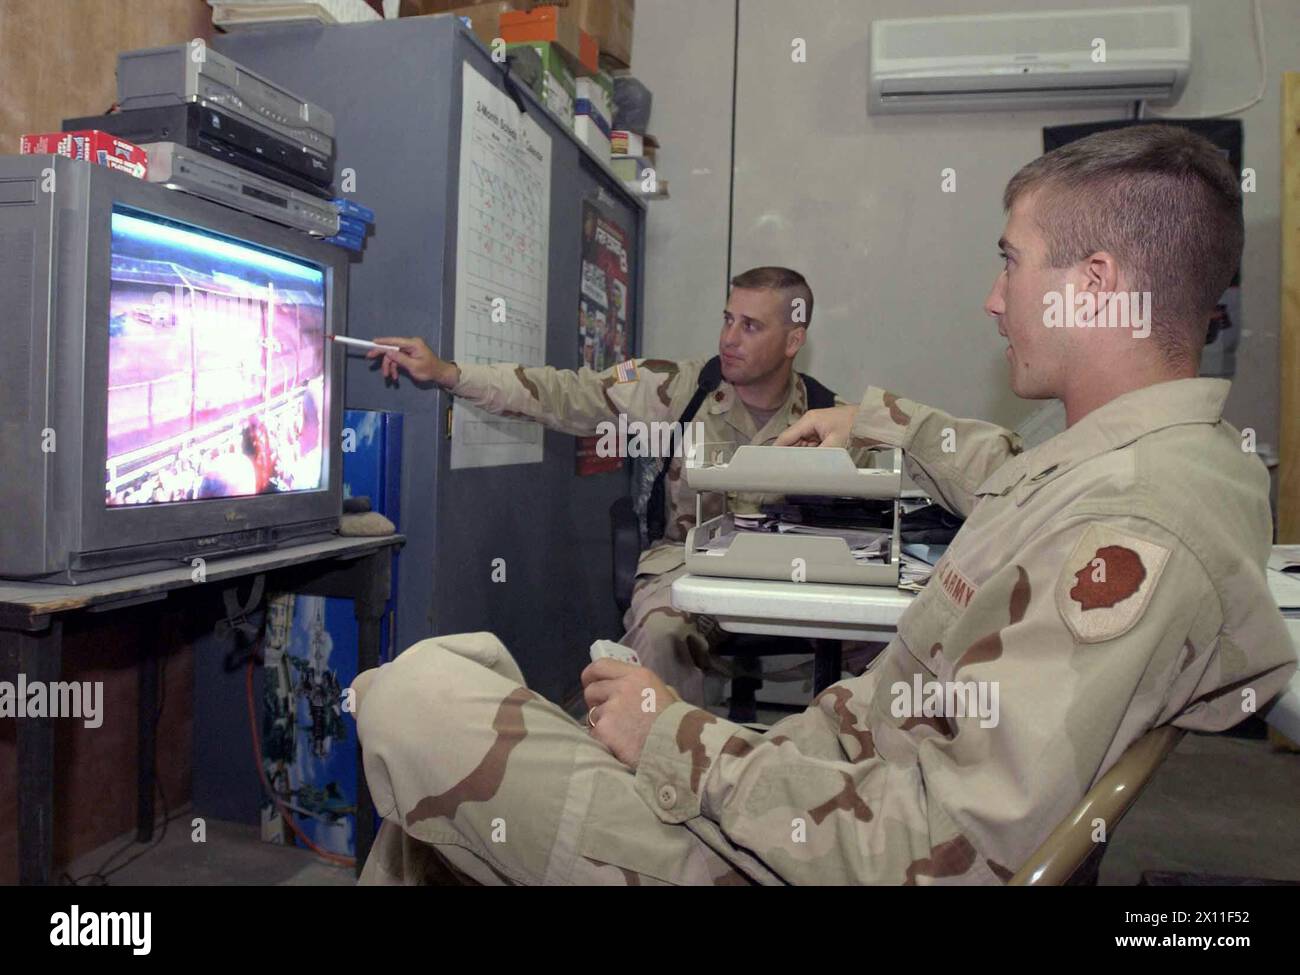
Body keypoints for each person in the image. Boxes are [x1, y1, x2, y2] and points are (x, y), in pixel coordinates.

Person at [350, 125, 1297, 885]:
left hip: (807, 837)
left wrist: (678, 737)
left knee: (413, 698)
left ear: (1093, 290)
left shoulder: (1132, 530)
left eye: (1013, 261)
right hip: (805, 790)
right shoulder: (1118, 470)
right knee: (445, 769)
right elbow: (567, 392)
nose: (992, 299)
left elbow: (929, 844)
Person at [369, 266, 832, 705]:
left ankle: (843, 776)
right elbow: (566, 392)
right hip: (687, 561)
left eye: (751, 327)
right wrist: (449, 373)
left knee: (885, 635)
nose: (729, 339)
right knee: (659, 635)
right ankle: (657, 767)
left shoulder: (827, 416)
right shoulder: (681, 387)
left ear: (794, 339)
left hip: (785, 571)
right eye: (728, 319)